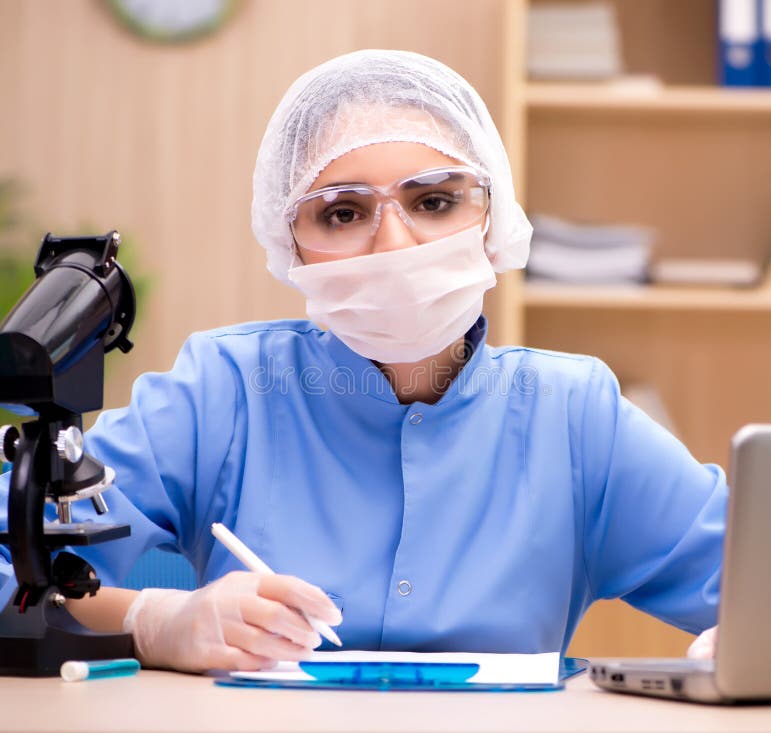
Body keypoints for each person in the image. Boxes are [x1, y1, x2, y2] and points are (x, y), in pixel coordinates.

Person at [0, 50, 725, 672]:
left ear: (494, 220)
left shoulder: (574, 416)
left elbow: (765, 584)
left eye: (435, 201)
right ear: (291, 242)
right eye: (343, 213)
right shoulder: (226, 393)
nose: (395, 246)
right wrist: (160, 622)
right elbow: (13, 556)